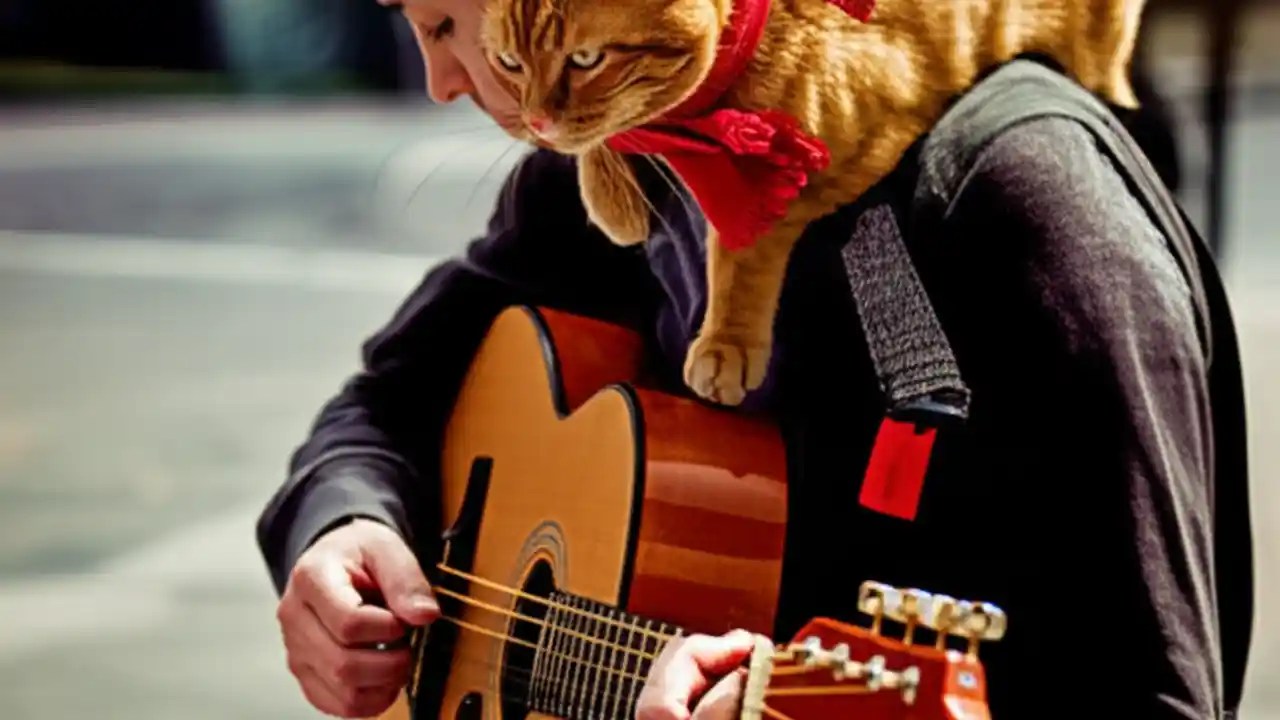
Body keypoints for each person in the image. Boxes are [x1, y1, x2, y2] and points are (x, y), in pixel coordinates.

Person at [256, 0, 1255, 718]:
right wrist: (337, 521)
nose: (437, 85)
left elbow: (1152, 690)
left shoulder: (1033, 210)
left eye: (441, 25)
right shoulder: (633, 148)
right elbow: (388, 402)